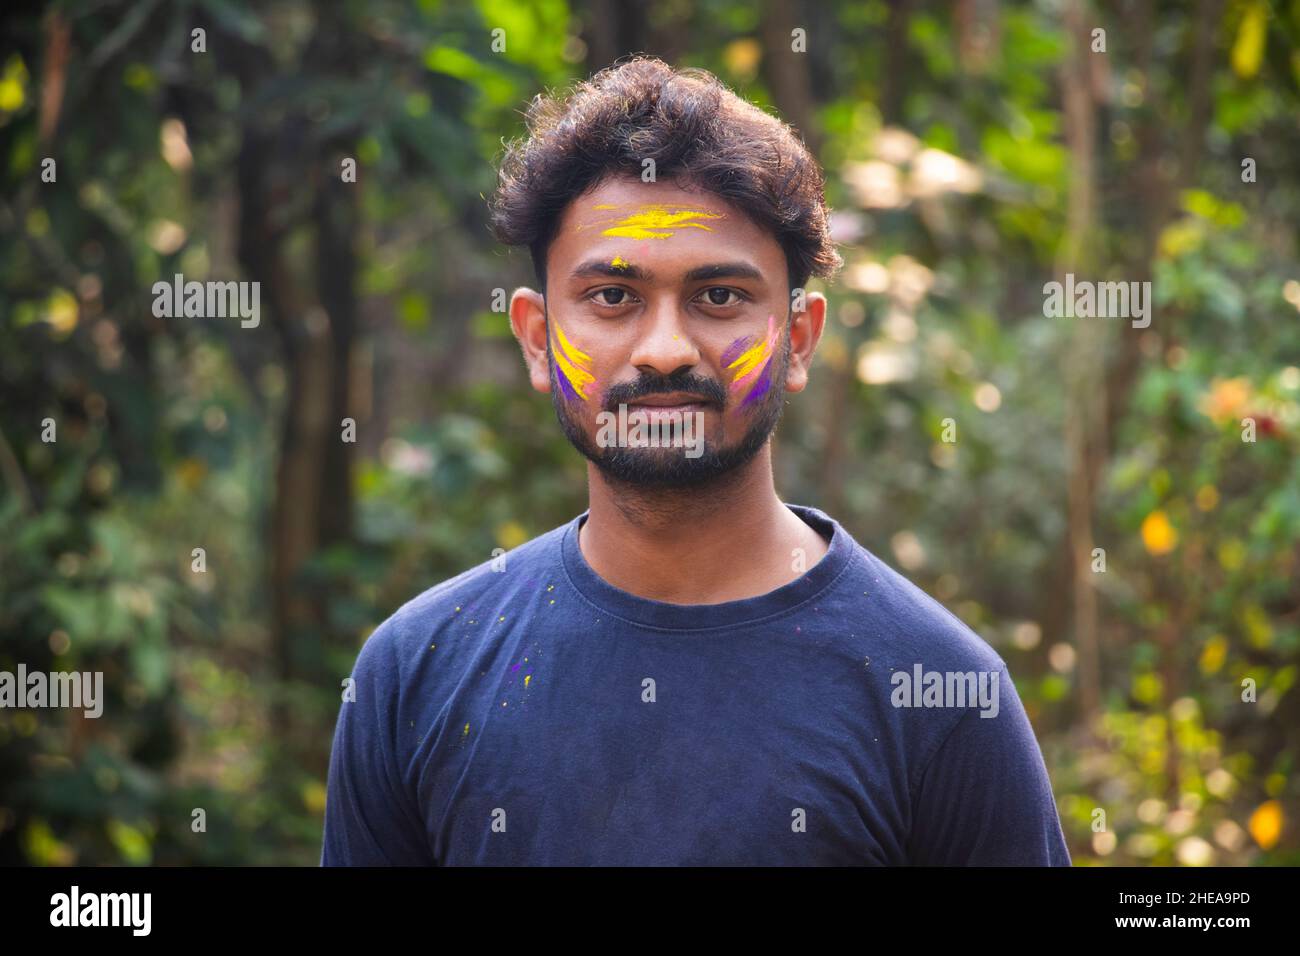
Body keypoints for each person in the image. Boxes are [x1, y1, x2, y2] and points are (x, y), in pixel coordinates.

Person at [322, 56, 1071, 866]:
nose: (668, 351)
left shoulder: (942, 694)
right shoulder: (416, 673)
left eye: (719, 297)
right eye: (614, 297)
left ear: (799, 338)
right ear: (538, 339)